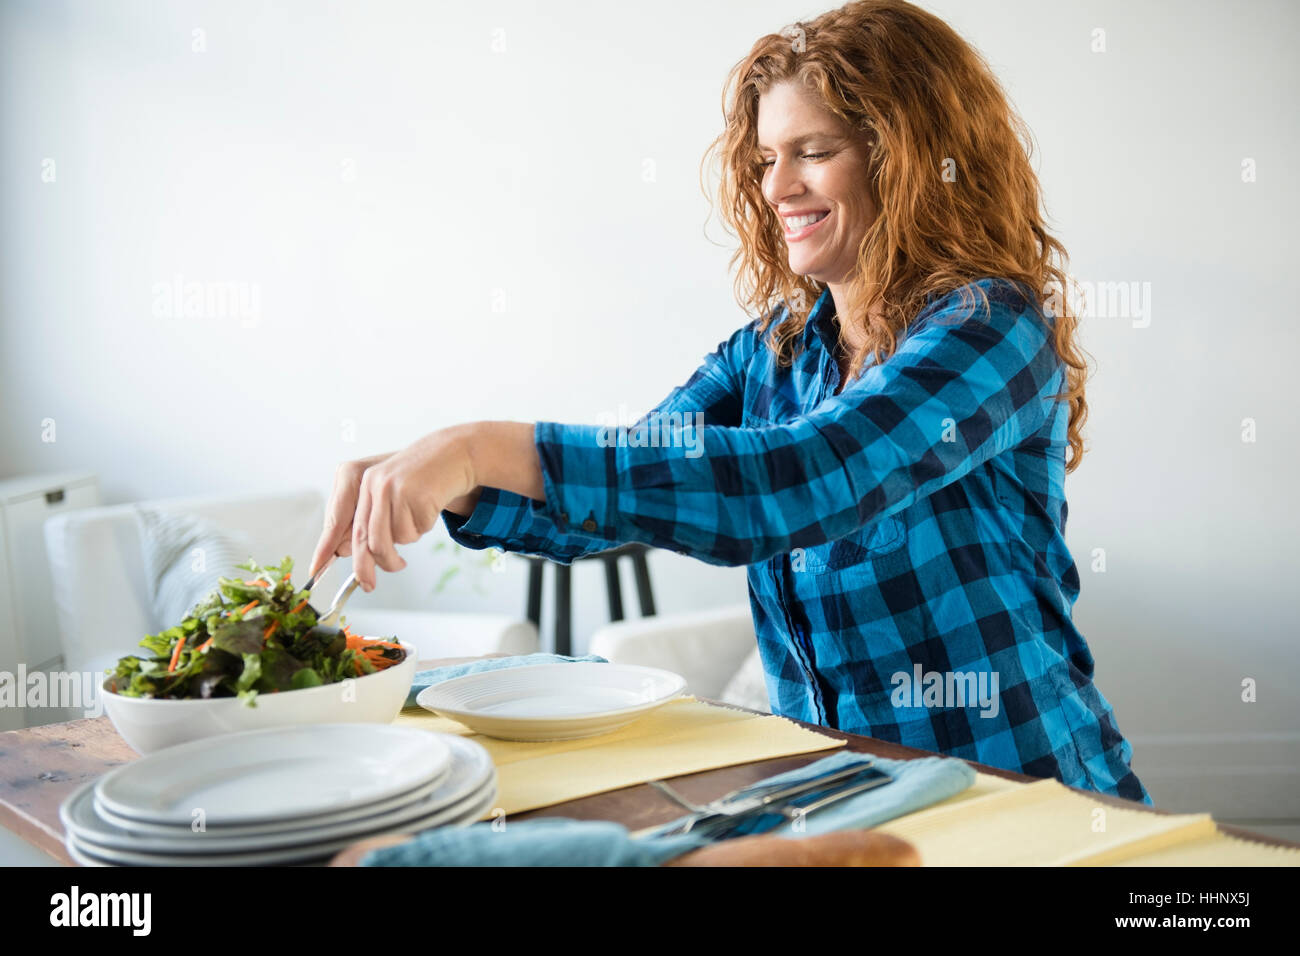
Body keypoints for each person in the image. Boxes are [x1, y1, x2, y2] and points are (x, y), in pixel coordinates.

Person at [311, 0, 1151, 804]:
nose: (776, 186)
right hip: (849, 796)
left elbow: (802, 480)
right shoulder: (769, 350)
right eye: (763, 159)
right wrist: (444, 477)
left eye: (812, 150)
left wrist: (477, 445)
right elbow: (617, 494)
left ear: (907, 158)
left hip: (1019, 787)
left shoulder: (991, 329)